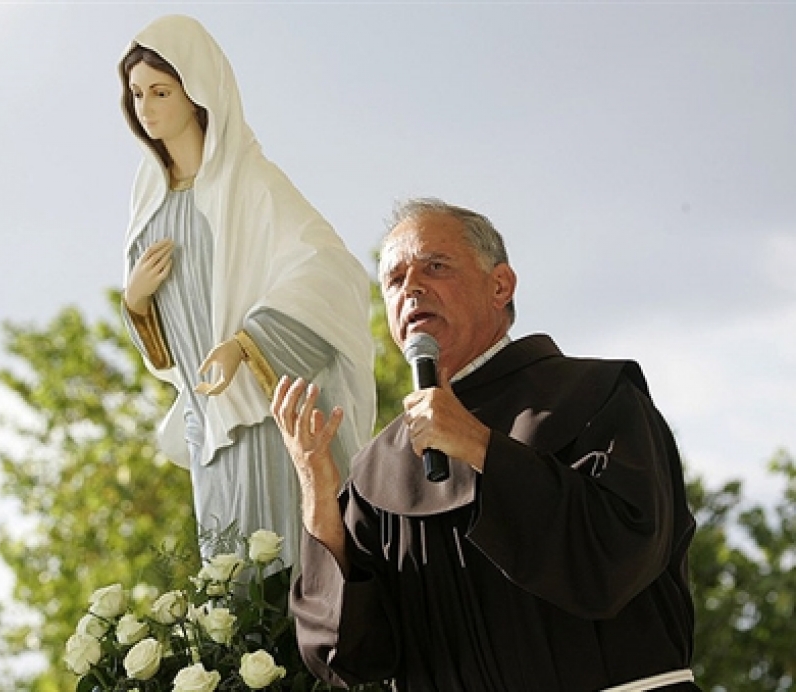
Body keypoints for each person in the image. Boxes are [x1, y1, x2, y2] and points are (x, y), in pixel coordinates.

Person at [273, 198, 700, 691]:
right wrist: (321, 503)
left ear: (500, 285)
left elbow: (614, 559)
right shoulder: (376, 470)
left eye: (435, 266)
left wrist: (480, 445)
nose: (411, 287)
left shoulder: (594, 396)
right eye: (393, 280)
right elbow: (352, 657)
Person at [118, 15, 376, 571]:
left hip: (261, 413)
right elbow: (166, 344)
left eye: (161, 92)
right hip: (205, 423)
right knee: (226, 579)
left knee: (275, 561)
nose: (146, 107)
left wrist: (246, 342)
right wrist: (135, 303)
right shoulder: (150, 202)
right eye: (137, 94)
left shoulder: (250, 182)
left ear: (198, 91)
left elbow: (329, 269)